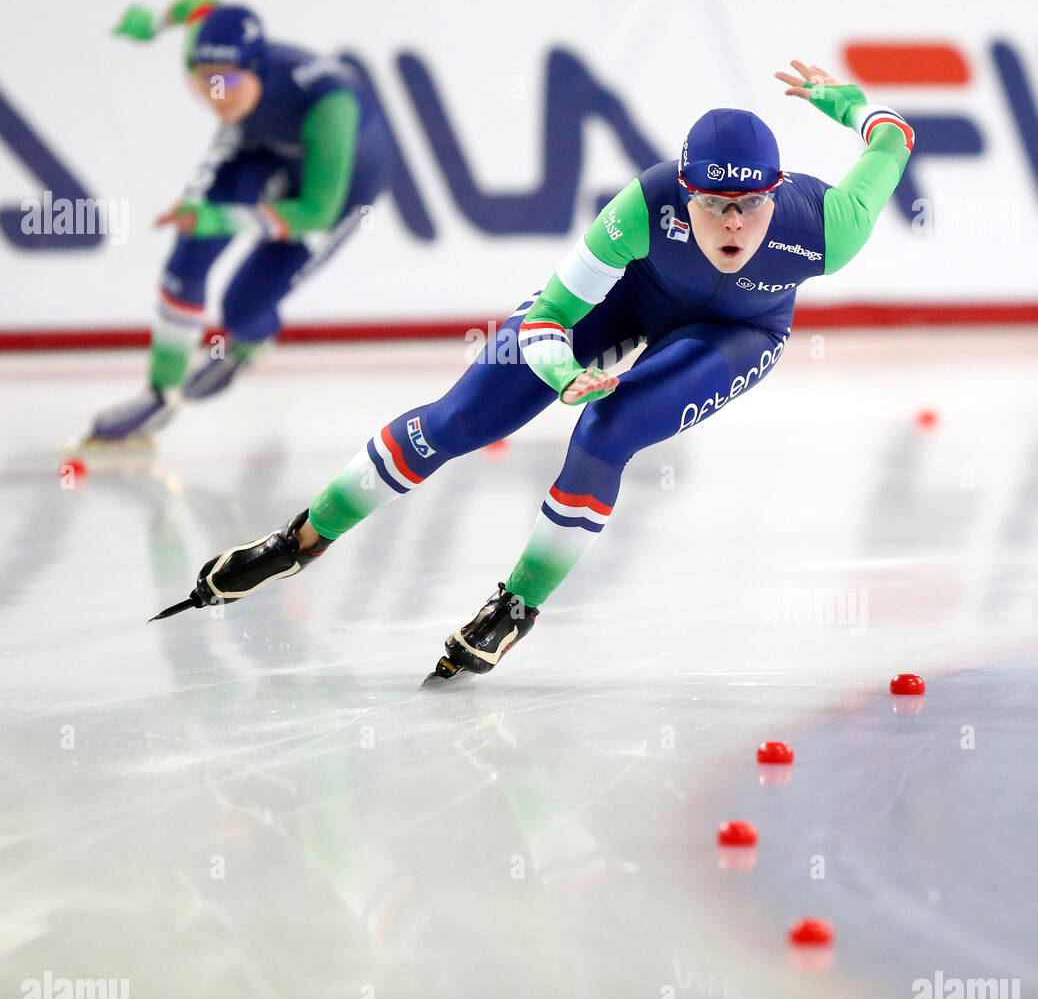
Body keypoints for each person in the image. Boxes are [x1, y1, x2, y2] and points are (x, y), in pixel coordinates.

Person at [155, 61, 916, 684]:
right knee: (459, 417)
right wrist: (559, 370)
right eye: (713, 204)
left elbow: (893, 138)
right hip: (628, 298)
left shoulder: (828, 229)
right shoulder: (643, 207)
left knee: (605, 428)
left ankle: (515, 607)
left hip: (740, 332)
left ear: (775, 194)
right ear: (685, 193)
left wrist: (845, 102)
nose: (731, 223)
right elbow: (549, 319)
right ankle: (299, 541)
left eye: (749, 206)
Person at [83, 0, 389, 444]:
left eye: (225, 82)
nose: (215, 96)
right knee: (189, 251)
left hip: (339, 188)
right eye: (203, 82)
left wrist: (223, 218)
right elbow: (201, 2)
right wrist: (153, 23)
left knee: (242, 305)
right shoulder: (207, 46)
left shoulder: (330, 105)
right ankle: (159, 395)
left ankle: (248, 343)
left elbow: (316, 213)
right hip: (265, 147)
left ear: (257, 70)